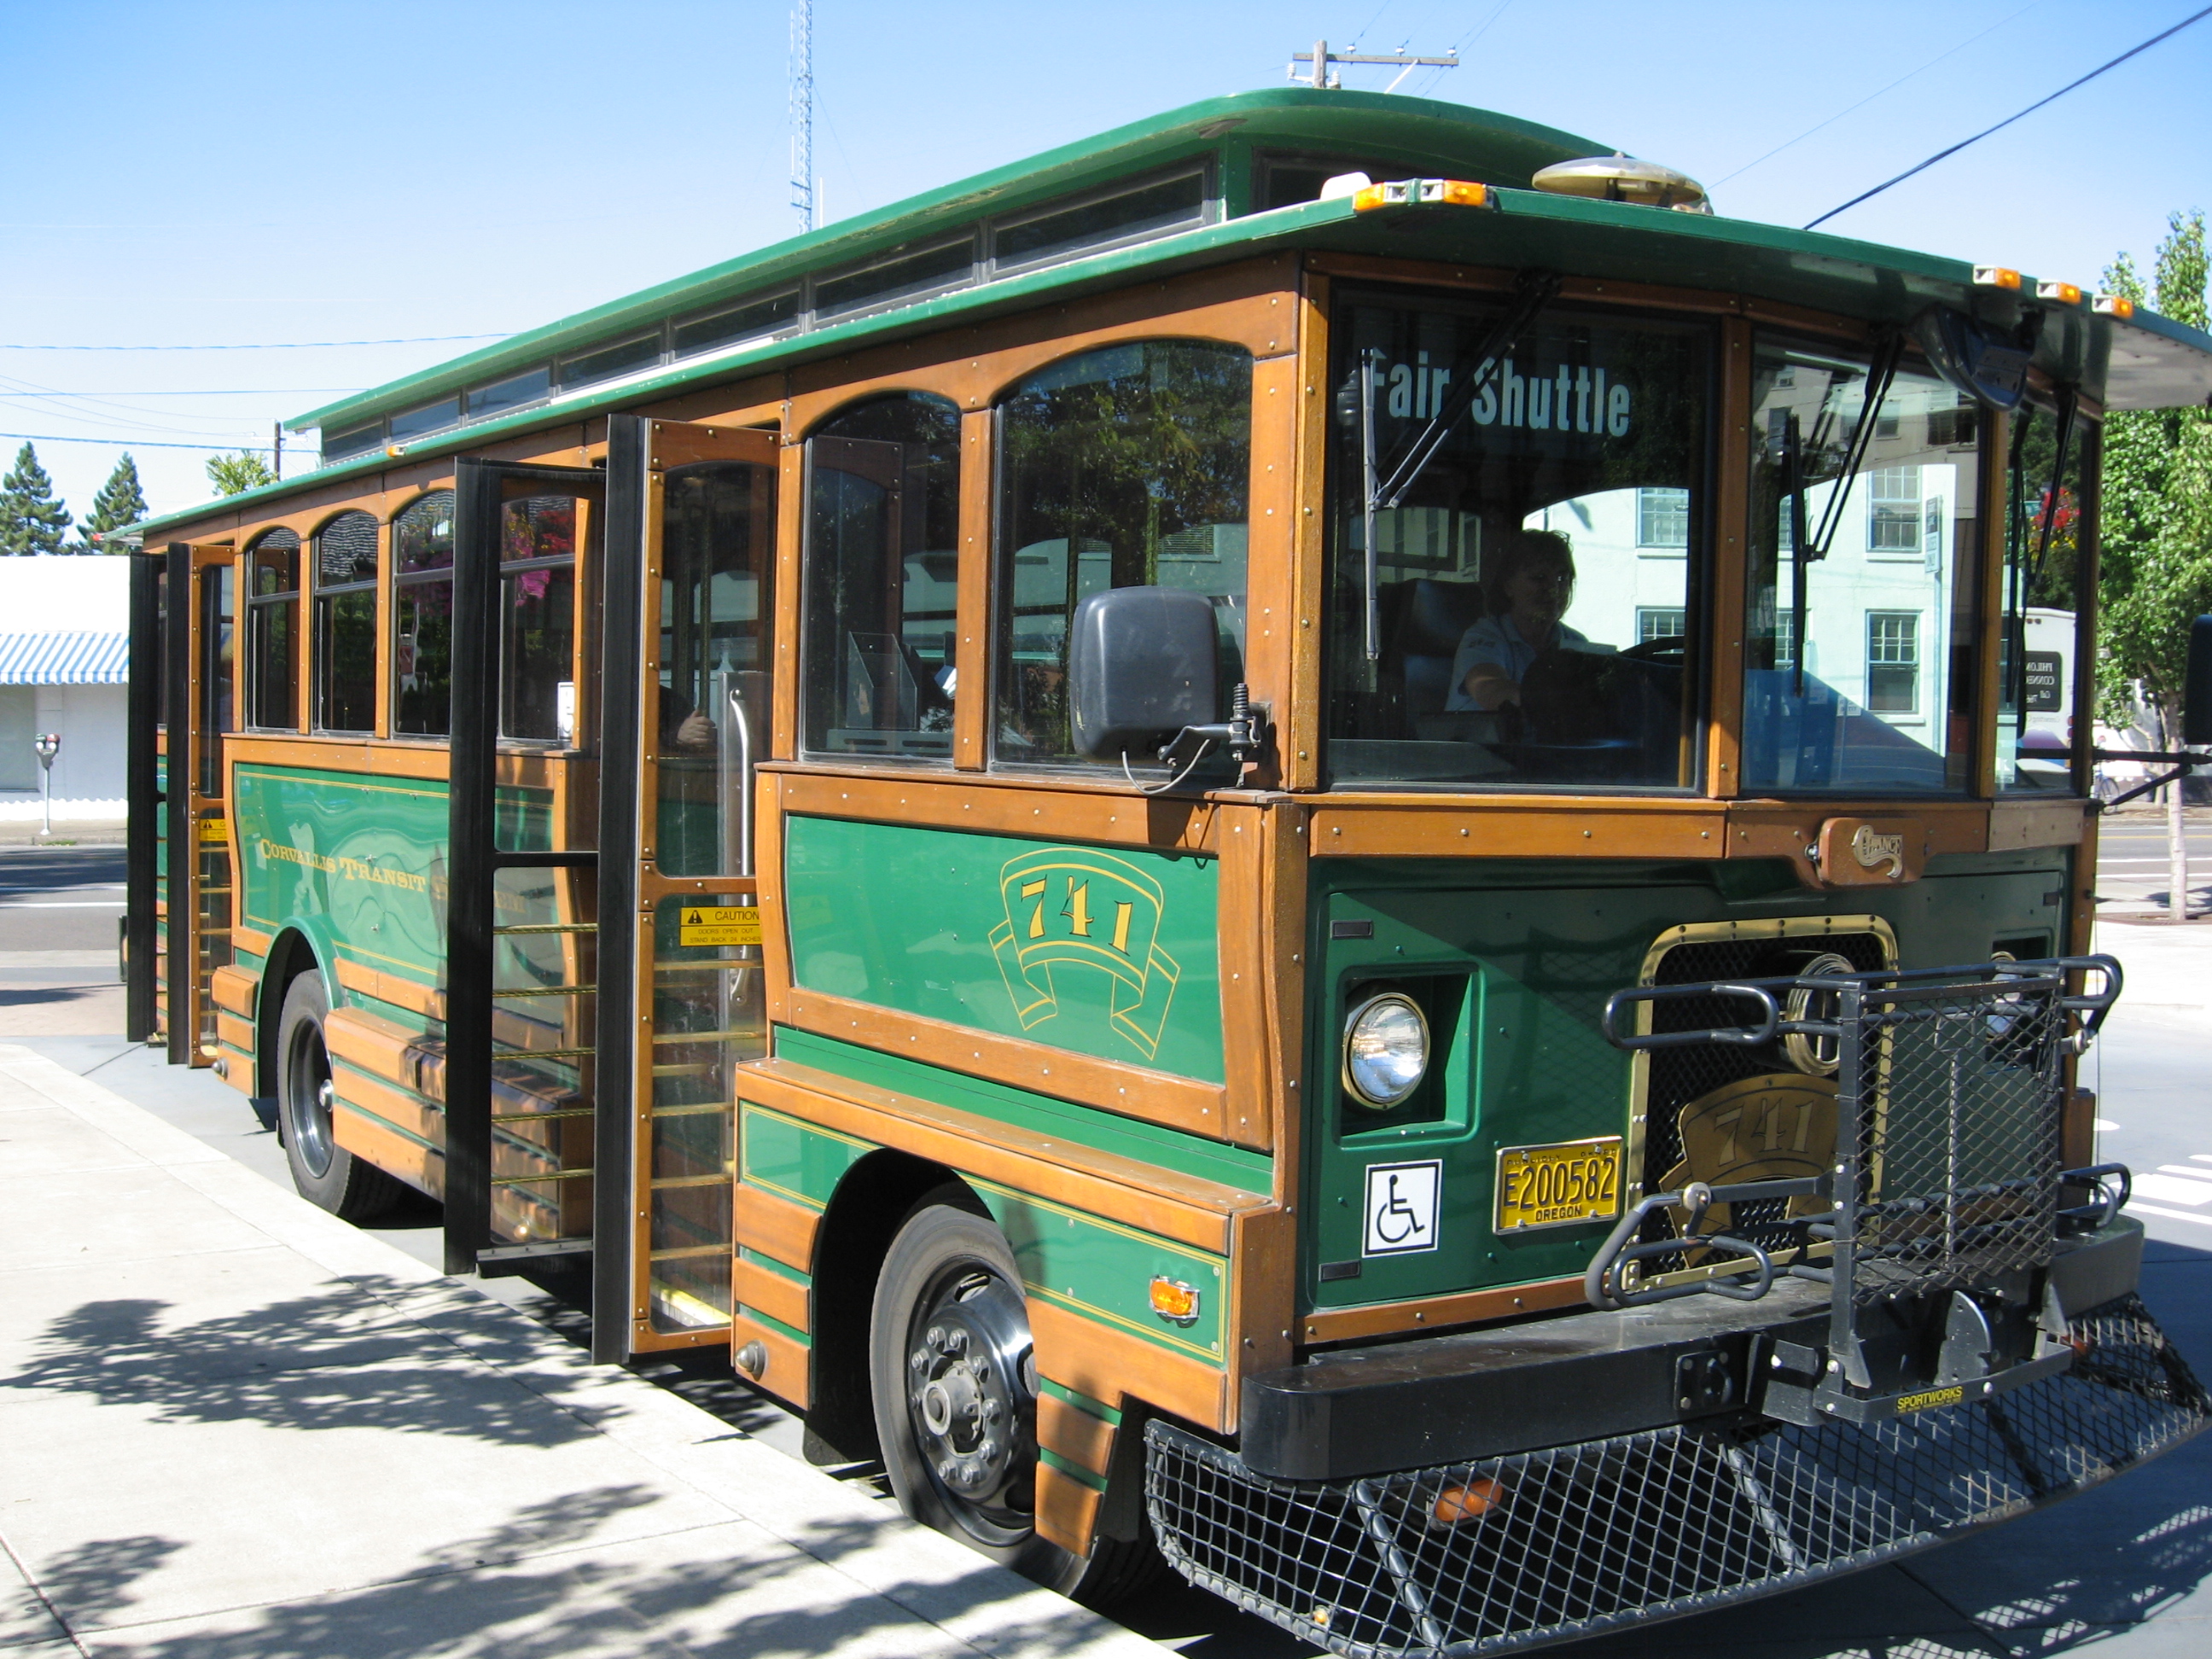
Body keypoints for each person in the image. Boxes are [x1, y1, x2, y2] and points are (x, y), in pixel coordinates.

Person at [1446, 529, 1610, 712]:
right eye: (1539, 578)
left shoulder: (1576, 643)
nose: (1554, 588)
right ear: (1508, 586)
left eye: (1562, 578)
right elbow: (1489, 688)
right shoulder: (1484, 637)